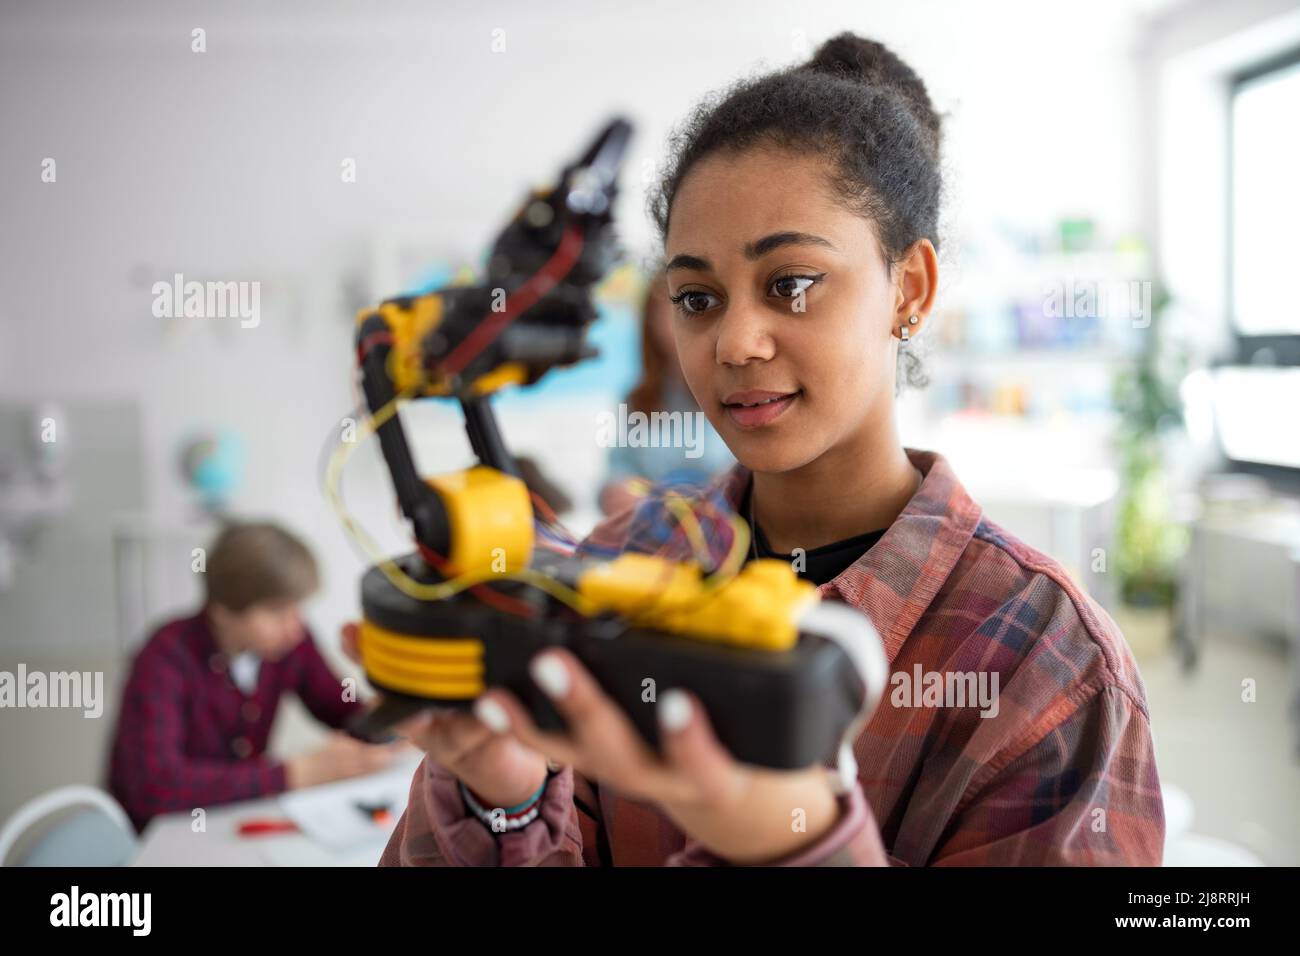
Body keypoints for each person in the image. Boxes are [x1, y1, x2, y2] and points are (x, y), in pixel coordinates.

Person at [378, 32, 1165, 866]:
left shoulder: (1047, 666)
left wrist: (804, 845)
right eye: (696, 297)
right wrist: (504, 801)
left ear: (910, 288)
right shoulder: (607, 576)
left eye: (790, 283)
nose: (734, 342)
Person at [108, 521, 404, 832]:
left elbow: (341, 709)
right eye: (277, 612)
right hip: (159, 838)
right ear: (221, 609)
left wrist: (388, 724)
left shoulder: (290, 643)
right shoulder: (164, 657)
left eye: (297, 607)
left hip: (234, 819)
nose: (295, 626)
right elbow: (154, 788)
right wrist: (294, 774)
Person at [598, 269, 735, 517]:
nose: (679, 323)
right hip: (656, 541)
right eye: (670, 311)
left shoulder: (739, 393)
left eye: (695, 307)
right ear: (650, 321)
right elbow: (617, 474)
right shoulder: (637, 401)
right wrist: (616, 494)